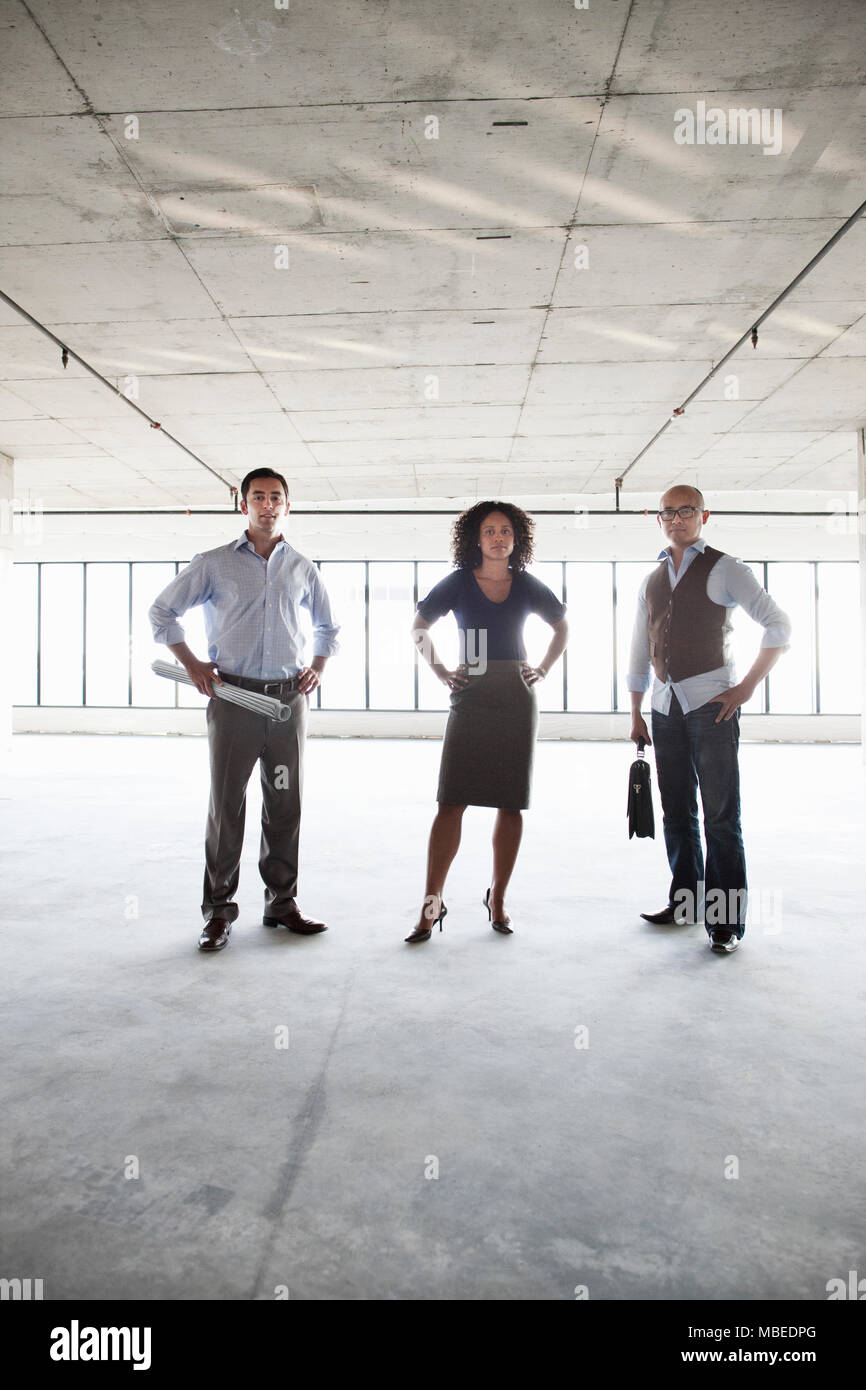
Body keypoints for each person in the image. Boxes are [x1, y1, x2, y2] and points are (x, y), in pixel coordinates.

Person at [148, 468, 339, 952]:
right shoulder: (213, 563)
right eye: (259, 497)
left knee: (284, 803)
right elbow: (162, 612)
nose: (268, 505)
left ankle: (282, 903)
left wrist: (317, 666)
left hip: (286, 704)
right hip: (233, 699)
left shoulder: (302, 566)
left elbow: (327, 627)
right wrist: (192, 664)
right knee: (227, 807)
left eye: (277, 497)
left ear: (288, 506)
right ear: (243, 505)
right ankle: (218, 912)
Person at [627, 484, 790, 953]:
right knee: (677, 812)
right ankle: (685, 903)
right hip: (662, 708)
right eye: (668, 513)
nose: (677, 519)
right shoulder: (651, 579)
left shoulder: (726, 568)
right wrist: (636, 710)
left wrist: (746, 687)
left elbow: (778, 625)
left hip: (712, 707)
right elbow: (640, 648)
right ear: (658, 519)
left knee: (721, 818)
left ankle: (725, 922)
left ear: (704, 515)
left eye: (687, 511)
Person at [405, 501, 569, 944]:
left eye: (505, 531)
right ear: (475, 540)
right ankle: (431, 902)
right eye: (489, 531)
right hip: (470, 691)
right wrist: (440, 670)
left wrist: (544, 668)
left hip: (517, 696)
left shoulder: (527, 584)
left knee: (510, 802)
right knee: (450, 800)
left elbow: (561, 626)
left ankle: (497, 898)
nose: (498, 537)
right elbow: (419, 625)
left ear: (516, 540)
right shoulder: (458, 583)